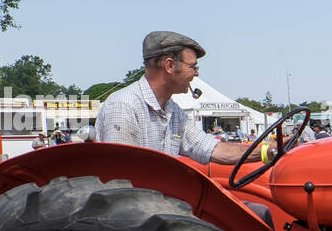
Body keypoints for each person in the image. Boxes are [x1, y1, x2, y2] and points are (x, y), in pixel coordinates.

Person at [95, 31, 253, 166]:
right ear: (169, 65)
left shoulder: (174, 111)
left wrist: (270, 151)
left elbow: (210, 148)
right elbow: (121, 177)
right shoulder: (124, 105)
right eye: (193, 67)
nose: (196, 73)